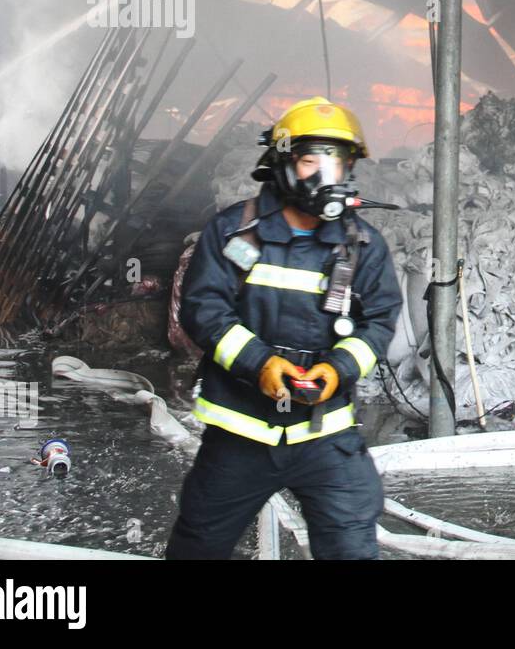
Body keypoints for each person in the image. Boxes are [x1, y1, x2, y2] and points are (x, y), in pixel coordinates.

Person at [165, 96, 402, 560]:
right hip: (240, 436)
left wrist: (337, 370)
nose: (324, 176)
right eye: (311, 159)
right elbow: (204, 308)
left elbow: (379, 321)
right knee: (198, 549)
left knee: (353, 547)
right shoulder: (235, 232)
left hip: (325, 436)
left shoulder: (362, 246)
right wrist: (260, 365)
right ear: (282, 163)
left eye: (337, 164)